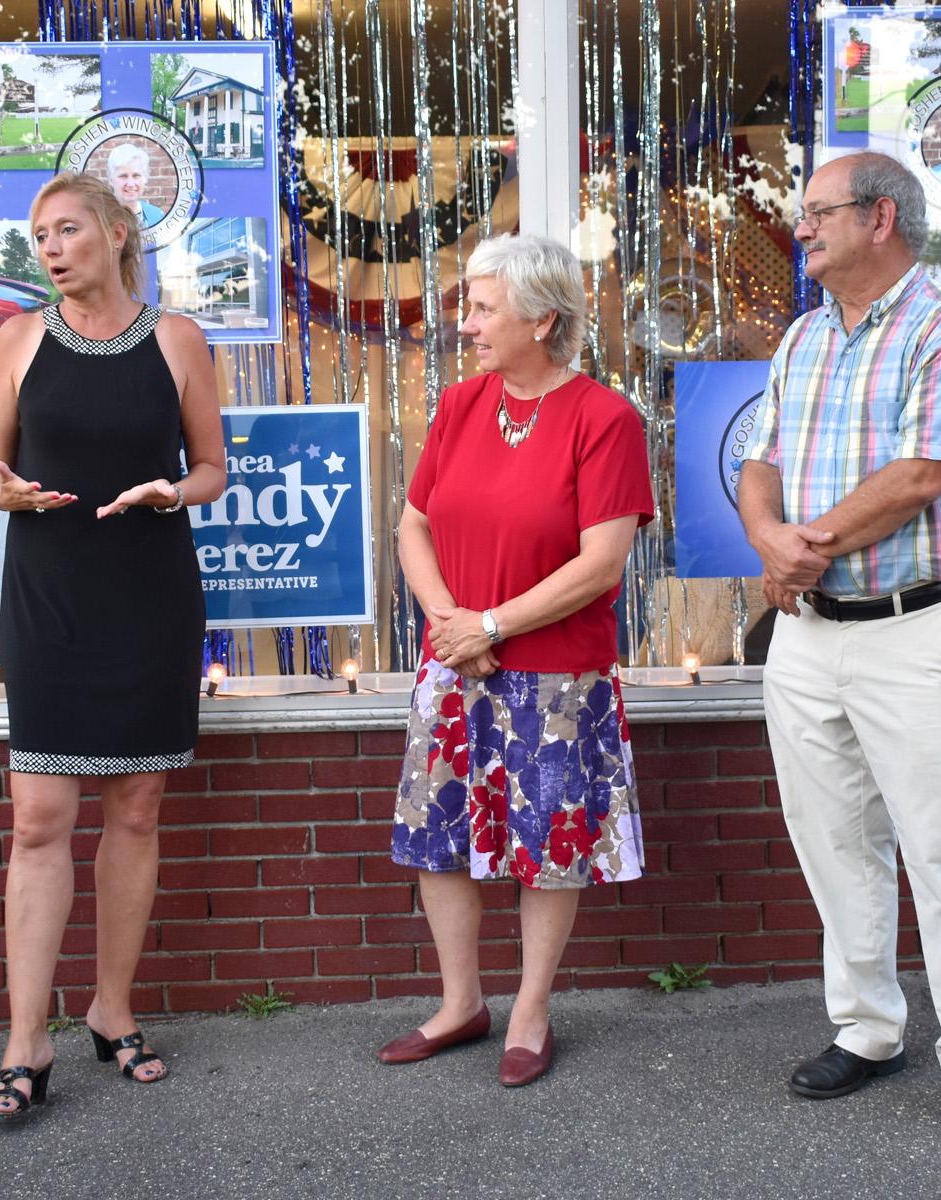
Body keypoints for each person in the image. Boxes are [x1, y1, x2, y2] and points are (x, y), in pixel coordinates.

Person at [736, 151, 941, 1135]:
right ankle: (866, 1029)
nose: (801, 227)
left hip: (918, 628)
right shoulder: (805, 340)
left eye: (817, 212)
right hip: (812, 634)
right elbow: (759, 460)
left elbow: (920, 478)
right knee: (835, 845)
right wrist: (774, 542)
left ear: (880, 220)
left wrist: (799, 553)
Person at [0, 173, 225, 1117]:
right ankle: (24, 1039)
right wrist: (8, 492)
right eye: (39, 234)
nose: (49, 246)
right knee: (39, 816)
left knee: (137, 810)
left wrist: (174, 492)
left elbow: (211, 467)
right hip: (49, 596)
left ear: (118, 235)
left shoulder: (177, 340)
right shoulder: (20, 338)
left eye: (67, 228)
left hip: (148, 595)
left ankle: (111, 1009)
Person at [381, 233, 653, 1087]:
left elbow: (600, 563)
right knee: (442, 839)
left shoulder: (604, 419)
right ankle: (461, 1002)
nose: (465, 323)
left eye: (482, 306)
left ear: (541, 318)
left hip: (559, 676)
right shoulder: (461, 407)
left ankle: (530, 1008)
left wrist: (489, 623)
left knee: (548, 843)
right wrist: (448, 620)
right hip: (455, 665)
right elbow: (413, 525)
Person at [107, 143, 167, 230]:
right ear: (111, 180)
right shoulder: (99, 218)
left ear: (145, 178)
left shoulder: (158, 216)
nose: (130, 184)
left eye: (136, 176)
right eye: (123, 176)